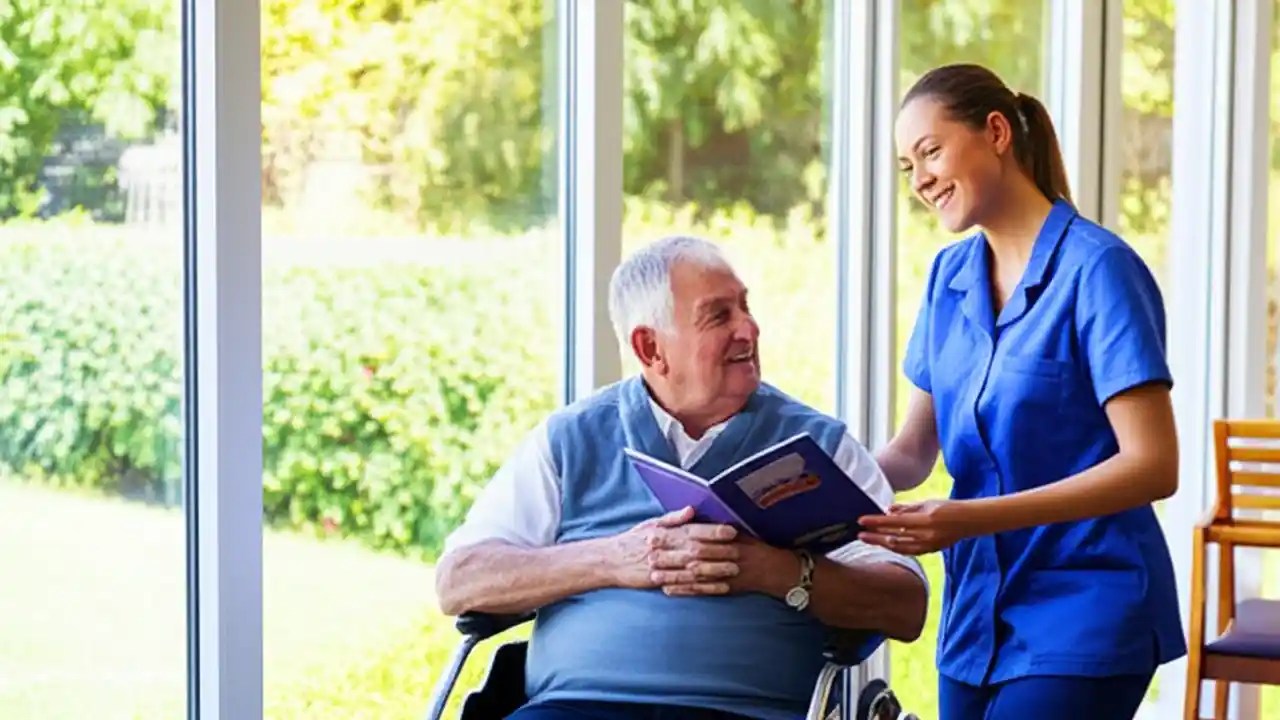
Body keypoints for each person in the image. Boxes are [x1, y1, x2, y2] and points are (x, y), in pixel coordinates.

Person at [435, 235, 928, 720]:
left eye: (745, 307)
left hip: (747, 713)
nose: (749, 330)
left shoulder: (821, 446)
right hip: (572, 709)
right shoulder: (570, 439)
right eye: (720, 316)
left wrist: (774, 571)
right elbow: (460, 580)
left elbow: (906, 604)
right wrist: (612, 559)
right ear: (650, 347)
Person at [856, 62, 1186, 720]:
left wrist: (966, 519)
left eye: (930, 151)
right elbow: (914, 451)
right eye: (906, 166)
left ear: (997, 132)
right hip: (978, 611)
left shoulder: (1099, 271)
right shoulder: (948, 277)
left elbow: (1154, 465)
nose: (919, 179)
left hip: (1087, 603)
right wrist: (812, 478)